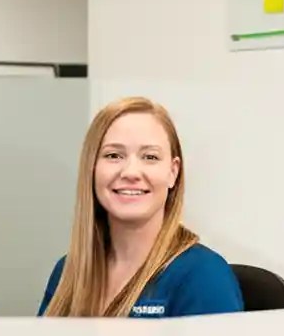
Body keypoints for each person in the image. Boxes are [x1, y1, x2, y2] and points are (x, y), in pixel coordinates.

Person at [38, 96, 243, 318]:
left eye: (150, 157)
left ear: (173, 172)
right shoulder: (68, 271)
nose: (131, 172)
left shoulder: (204, 275)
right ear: (92, 168)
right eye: (113, 155)